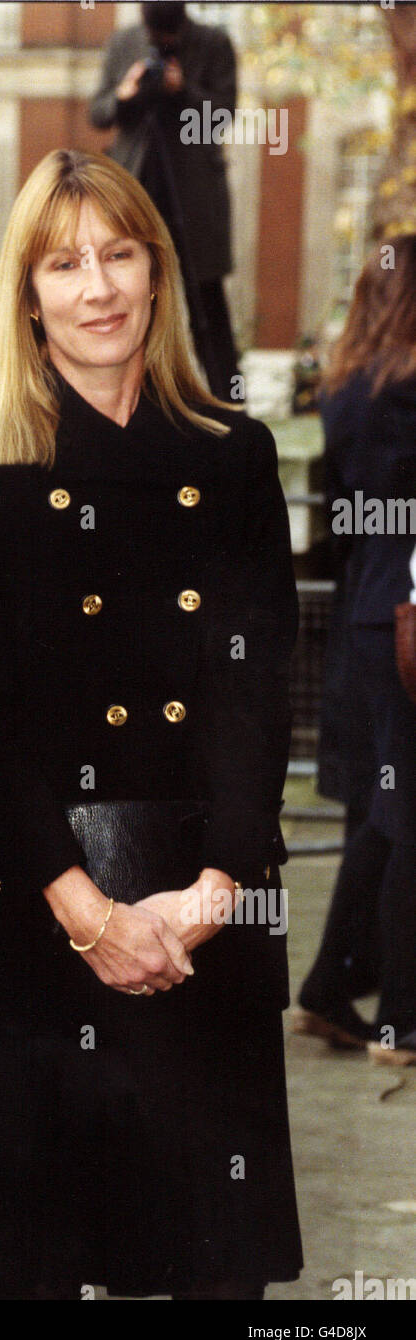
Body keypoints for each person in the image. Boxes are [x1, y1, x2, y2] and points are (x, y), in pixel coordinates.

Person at [0, 149, 302, 1300]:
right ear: (26, 293)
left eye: (119, 254)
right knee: (44, 1263)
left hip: (199, 912)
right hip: (39, 912)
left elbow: (251, 685)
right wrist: (86, 913)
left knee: (213, 1270)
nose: (98, 287)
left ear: (159, 274)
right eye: (63, 263)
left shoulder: (232, 455)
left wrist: (216, 888)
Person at [295, 237, 416, 1065]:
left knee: (384, 807)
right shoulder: (411, 390)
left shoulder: (344, 392)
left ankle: (331, 991)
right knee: (402, 812)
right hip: (408, 612)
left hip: (370, 612)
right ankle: (397, 1017)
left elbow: (338, 517)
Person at [90, 2, 239, 398]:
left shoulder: (214, 43)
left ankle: (232, 407)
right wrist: (125, 93)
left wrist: (183, 88)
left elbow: (223, 116)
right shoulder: (123, 42)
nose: (162, 43)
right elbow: (98, 112)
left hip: (194, 196)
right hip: (136, 186)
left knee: (208, 307)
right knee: (134, 298)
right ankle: (138, 403)